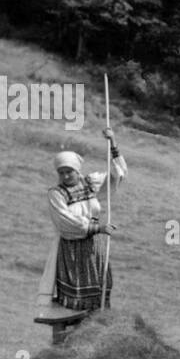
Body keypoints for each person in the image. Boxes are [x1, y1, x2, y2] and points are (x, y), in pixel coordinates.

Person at [36, 129, 126, 318]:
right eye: (62, 173)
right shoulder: (56, 194)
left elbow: (117, 176)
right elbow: (66, 221)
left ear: (77, 171)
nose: (66, 176)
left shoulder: (90, 183)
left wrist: (113, 143)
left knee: (102, 281)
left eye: (69, 172)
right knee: (80, 287)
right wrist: (98, 228)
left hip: (95, 244)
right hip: (73, 247)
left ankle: (100, 315)